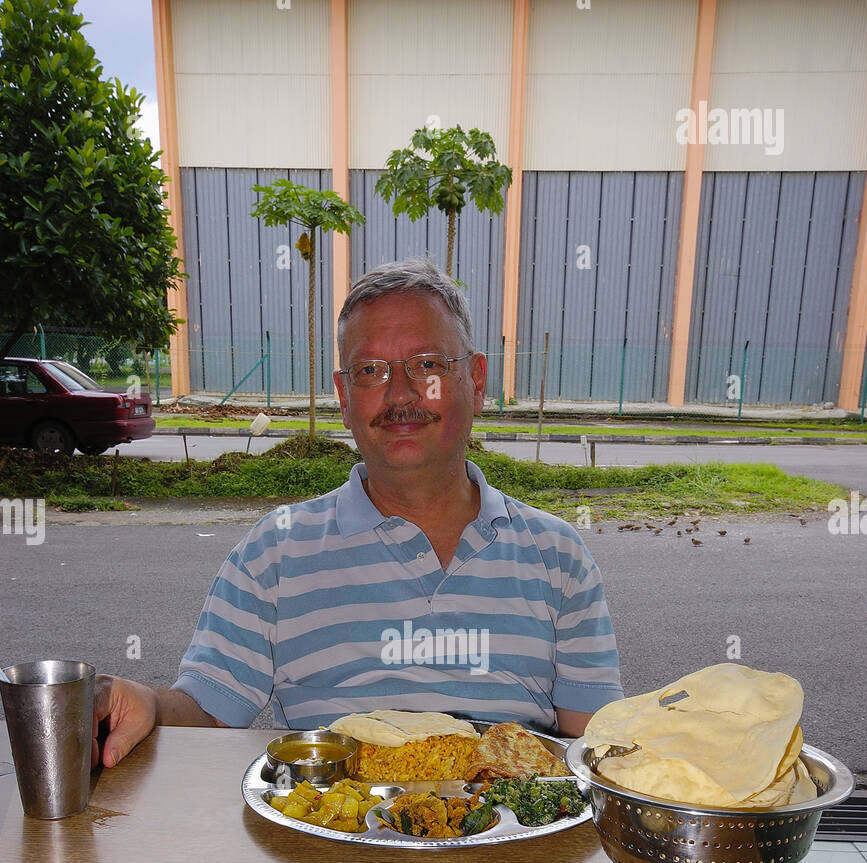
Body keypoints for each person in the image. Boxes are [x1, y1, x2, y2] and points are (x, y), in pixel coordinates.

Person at [92, 259, 623, 769]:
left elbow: (592, 741)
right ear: (345, 398)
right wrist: (151, 703)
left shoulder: (557, 556)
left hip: (509, 849)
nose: (399, 393)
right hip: (330, 847)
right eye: (370, 371)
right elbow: (208, 713)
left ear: (477, 381)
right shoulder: (274, 552)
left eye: (428, 365)